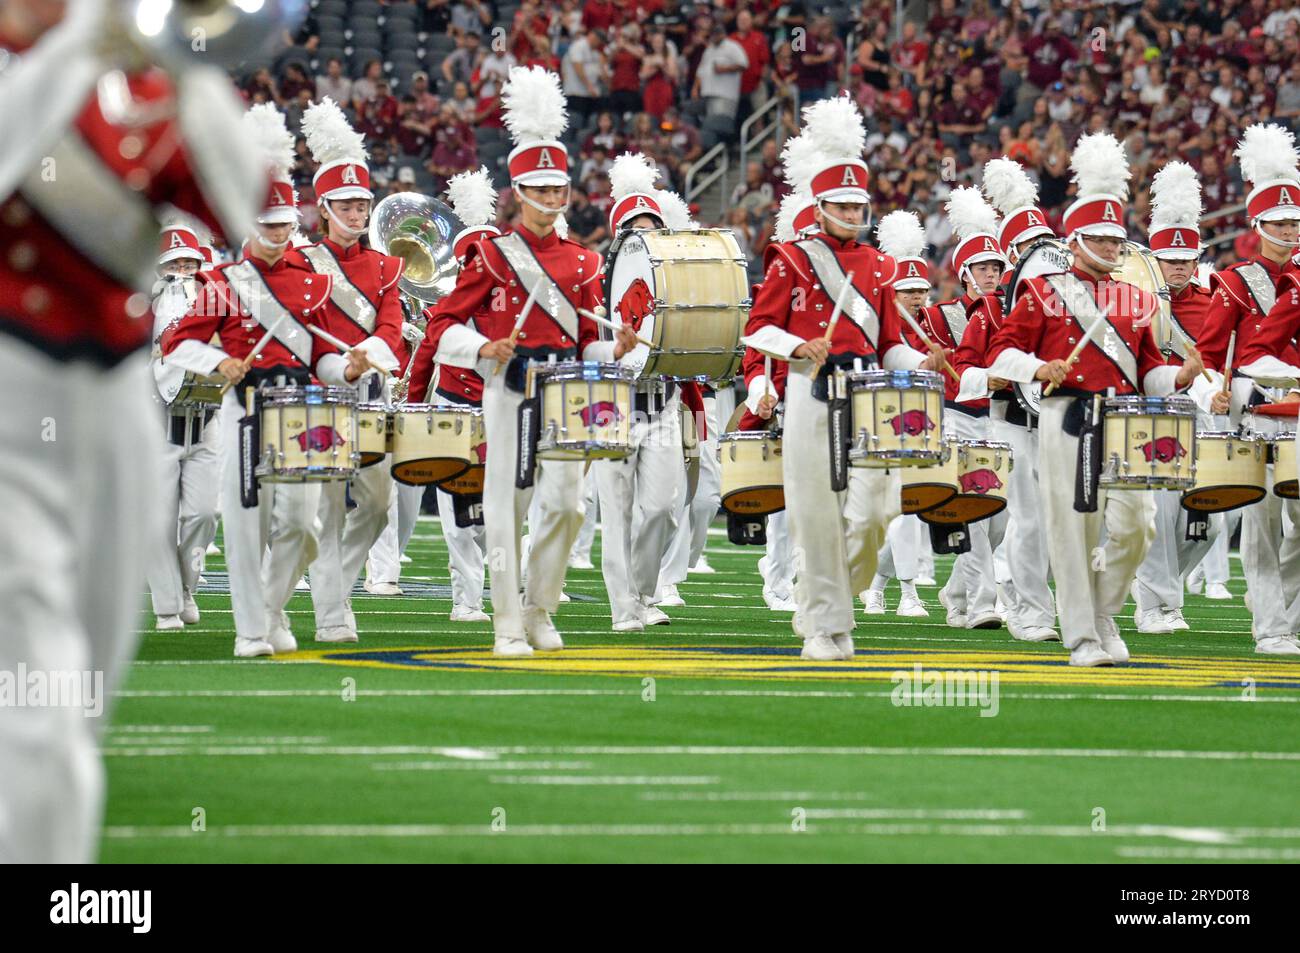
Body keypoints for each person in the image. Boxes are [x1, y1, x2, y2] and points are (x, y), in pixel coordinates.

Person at [0, 0, 261, 863]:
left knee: (86, 695)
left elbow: (243, 203)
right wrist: (81, 44)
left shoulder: (136, 82)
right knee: (38, 692)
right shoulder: (56, 66)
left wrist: (187, 62)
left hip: (115, 400)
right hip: (8, 390)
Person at [418, 66, 637, 656]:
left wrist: (610, 350)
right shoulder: (490, 256)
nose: (548, 200)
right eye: (538, 191)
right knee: (505, 507)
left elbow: (583, 343)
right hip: (509, 390)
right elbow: (441, 327)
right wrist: (482, 348)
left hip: (566, 394)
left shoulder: (583, 262)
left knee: (567, 506)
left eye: (557, 191)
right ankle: (506, 621)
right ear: (517, 193)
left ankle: (541, 606)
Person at [985, 133, 1209, 667]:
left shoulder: (1135, 297)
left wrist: (1180, 375)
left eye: (1117, 240)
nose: (1114, 249)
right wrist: (1039, 367)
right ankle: (1083, 636)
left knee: (1137, 526)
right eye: (1103, 240)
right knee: (1073, 527)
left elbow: (1148, 368)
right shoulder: (1043, 292)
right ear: (1078, 239)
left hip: (1122, 421)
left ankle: (1103, 610)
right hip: (1066, 417)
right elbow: (998, 354)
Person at [741, 95, 945, 661]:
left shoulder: (880, 266)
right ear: (823, 205)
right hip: (811, 391)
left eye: (861, 207)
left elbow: (889, 346)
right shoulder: (792, 258)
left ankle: (822, 601)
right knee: (815, 513)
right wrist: (797, 345)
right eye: (846, 207)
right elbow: (758, 329)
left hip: (866, 396)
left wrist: (918, 363)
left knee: (874, 514)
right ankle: (827, 626)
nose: (856, 216)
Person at [162, 104, 366, 661]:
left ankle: (271, 609)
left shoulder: (310, 283)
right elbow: (175, 342)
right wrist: (218, 362)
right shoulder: (224, 281)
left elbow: (322, 356)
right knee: (247, 522)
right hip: (244, 410)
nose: (277, 234)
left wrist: (345, 367)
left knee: (302, 525)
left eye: (284, 225)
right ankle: (251, 631)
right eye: (268, 225)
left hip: (300, 412)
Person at [297, 98, 407, 646]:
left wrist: (370, 354)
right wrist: (342, 362)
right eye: (348, 205)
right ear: (325, 208)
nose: (359, 214)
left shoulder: (387, 267)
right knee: (324, 514)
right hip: (322, 398)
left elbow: (393, 326)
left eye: (364, 205)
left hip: (370, 398)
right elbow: (305, 332)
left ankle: (335, 591)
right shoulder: (303, 263)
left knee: (380, 504)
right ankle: (331, 616)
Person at [1198, 124, 1300, 656]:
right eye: (1280, 222)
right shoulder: (1236, 282)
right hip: (1257, 411)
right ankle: (1271, 626)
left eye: (1295, 221)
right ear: (1259, 224)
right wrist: (1213, 389)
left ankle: (1286, 612)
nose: (1290, 230)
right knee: (1260, 524)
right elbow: (1212, 355)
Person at [403, 165, 500, 623]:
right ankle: (466, 599)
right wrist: (415, 406)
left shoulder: (518, 302)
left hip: (502, 408)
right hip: (454, 409)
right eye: (473, 257)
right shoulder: (448, 304)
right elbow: (425, 353)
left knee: (499, 512)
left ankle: (498, 591)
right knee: (459, 514)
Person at [1131, 161, 1224, 635]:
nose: (1180, 268)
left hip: (1204, 417)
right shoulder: (1135, 301)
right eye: (1170, 260)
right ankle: (1156, 604)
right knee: (1161, 514)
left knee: (1207, 522)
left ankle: (1163, 589)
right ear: (1154, 261)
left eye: (1187, 260)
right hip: (1155, 417)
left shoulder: (1215, 299)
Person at [973, 157, 1059, 642]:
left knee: (1062, 518)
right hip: (1011, 419)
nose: (1037, 254)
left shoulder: (1073, 298)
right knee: (1027, 517)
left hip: (1062, 418)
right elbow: (967, 369)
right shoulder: (990, 305)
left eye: (1043, 245)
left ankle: (1049, 601)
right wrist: (991, 378)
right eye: (1027, 247)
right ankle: (1030, 611)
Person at [917, 187, 1009, 632]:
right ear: (965, 273)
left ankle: (954, 592)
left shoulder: (1012, 313)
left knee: (1000, 522)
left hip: (1000, 421)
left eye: (996, 267)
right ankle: (981, 601)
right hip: (955, 417)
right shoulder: (940, 316)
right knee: (973, 511)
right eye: (982, 268)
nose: (991, 274)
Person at [860, 210, 935, 620]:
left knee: (909, 512)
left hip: (922, 429)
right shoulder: (873, 326)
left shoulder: (937, 324)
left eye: (921, 290)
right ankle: (896, 590)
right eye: (907, 290)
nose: (916, 297)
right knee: (890, 514)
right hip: (876, 428)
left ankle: (887, 587)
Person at [146, 225, 222, 631]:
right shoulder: (141, 304)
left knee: (204, 515)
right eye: (174, 263)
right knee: (158, 519)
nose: (182, 269)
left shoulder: (219, 300)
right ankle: (166, 607)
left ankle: (186, 588)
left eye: (189, 262)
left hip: (205, 420)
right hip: (157, 422)